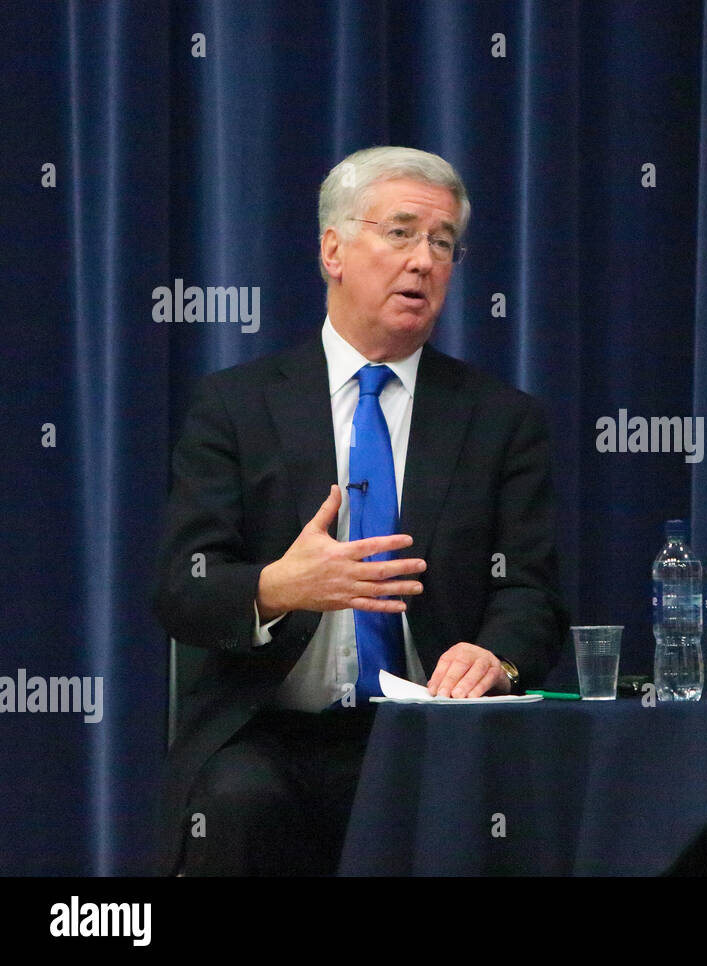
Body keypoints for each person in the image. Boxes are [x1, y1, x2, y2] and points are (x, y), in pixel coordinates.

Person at [153, 146, 567, 875]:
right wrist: (279, 586)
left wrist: (494, 658)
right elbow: (183, 592)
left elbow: (529, 591)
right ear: (333, 251)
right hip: (271, 732)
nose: (424, 261)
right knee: (239, 806)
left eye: (443, 244)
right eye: (401, 232)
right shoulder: (237, 406)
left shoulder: (502, 419)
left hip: (433, 739)